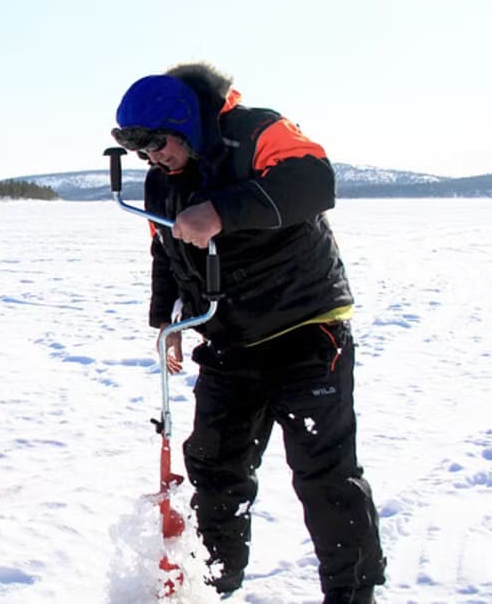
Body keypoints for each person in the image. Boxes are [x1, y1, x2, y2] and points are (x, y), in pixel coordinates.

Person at [111, 63, 386, 603]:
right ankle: (212, 585)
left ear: (185, 122)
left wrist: (220, 210)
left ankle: (353, 594)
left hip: (305, 329)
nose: (155, 158)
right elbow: (165, 251)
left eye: (160, 144)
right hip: (229, 341)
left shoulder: (258, 131)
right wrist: (166, 321)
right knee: (215, 467)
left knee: (323, 474)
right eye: (143, 152)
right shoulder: (159, 182)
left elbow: (313, 181)